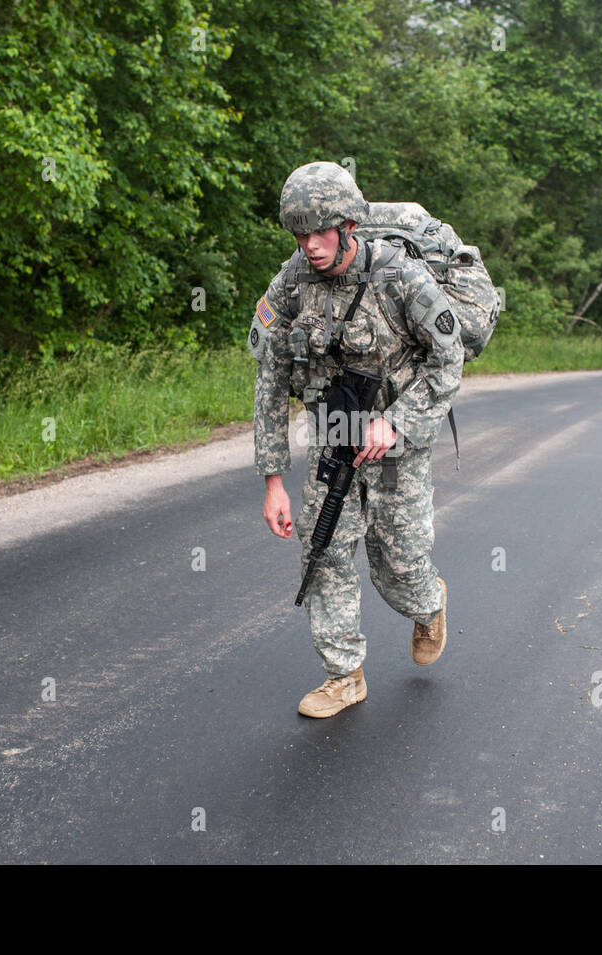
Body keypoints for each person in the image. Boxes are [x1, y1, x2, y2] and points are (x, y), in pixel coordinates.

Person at [248, 161, 464, 718]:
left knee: (399, 565)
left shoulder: (399, 277)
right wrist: (273, 481)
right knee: (324, 555)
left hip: (395, 448)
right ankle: (343, 676)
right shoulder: (292, 282)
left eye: (320, 231)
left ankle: (428, 603)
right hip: (333, 440)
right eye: (299, 233)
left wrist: (397, 421)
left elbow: (448, 359)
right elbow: (270, 379)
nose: (310, 245)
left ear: (348, 225)